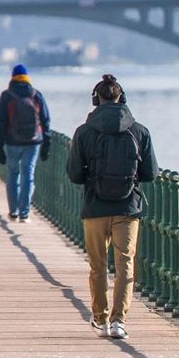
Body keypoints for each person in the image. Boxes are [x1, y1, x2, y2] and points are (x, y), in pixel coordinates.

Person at [65, 73, 156, 340]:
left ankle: (100, 318)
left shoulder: (83, 132)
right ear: (122, 98)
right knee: (125, 264)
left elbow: (73, 174)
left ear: (97, 100)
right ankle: (119, 321)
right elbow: (150, 173)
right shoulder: (139, 131)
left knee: (98, 265)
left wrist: (93, 178)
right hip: (128, 207)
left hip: (95, 207)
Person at [0, 63, 52, 222]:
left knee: (13, 174)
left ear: (13, 77)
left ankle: (13, 211)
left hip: (12, 141)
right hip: (34, 142)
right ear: (27, 78)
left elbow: (0, 123)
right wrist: (46, 145)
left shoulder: (7, 95)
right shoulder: (35, 94)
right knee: (28, 174)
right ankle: (24, 213)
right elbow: (46, 121)